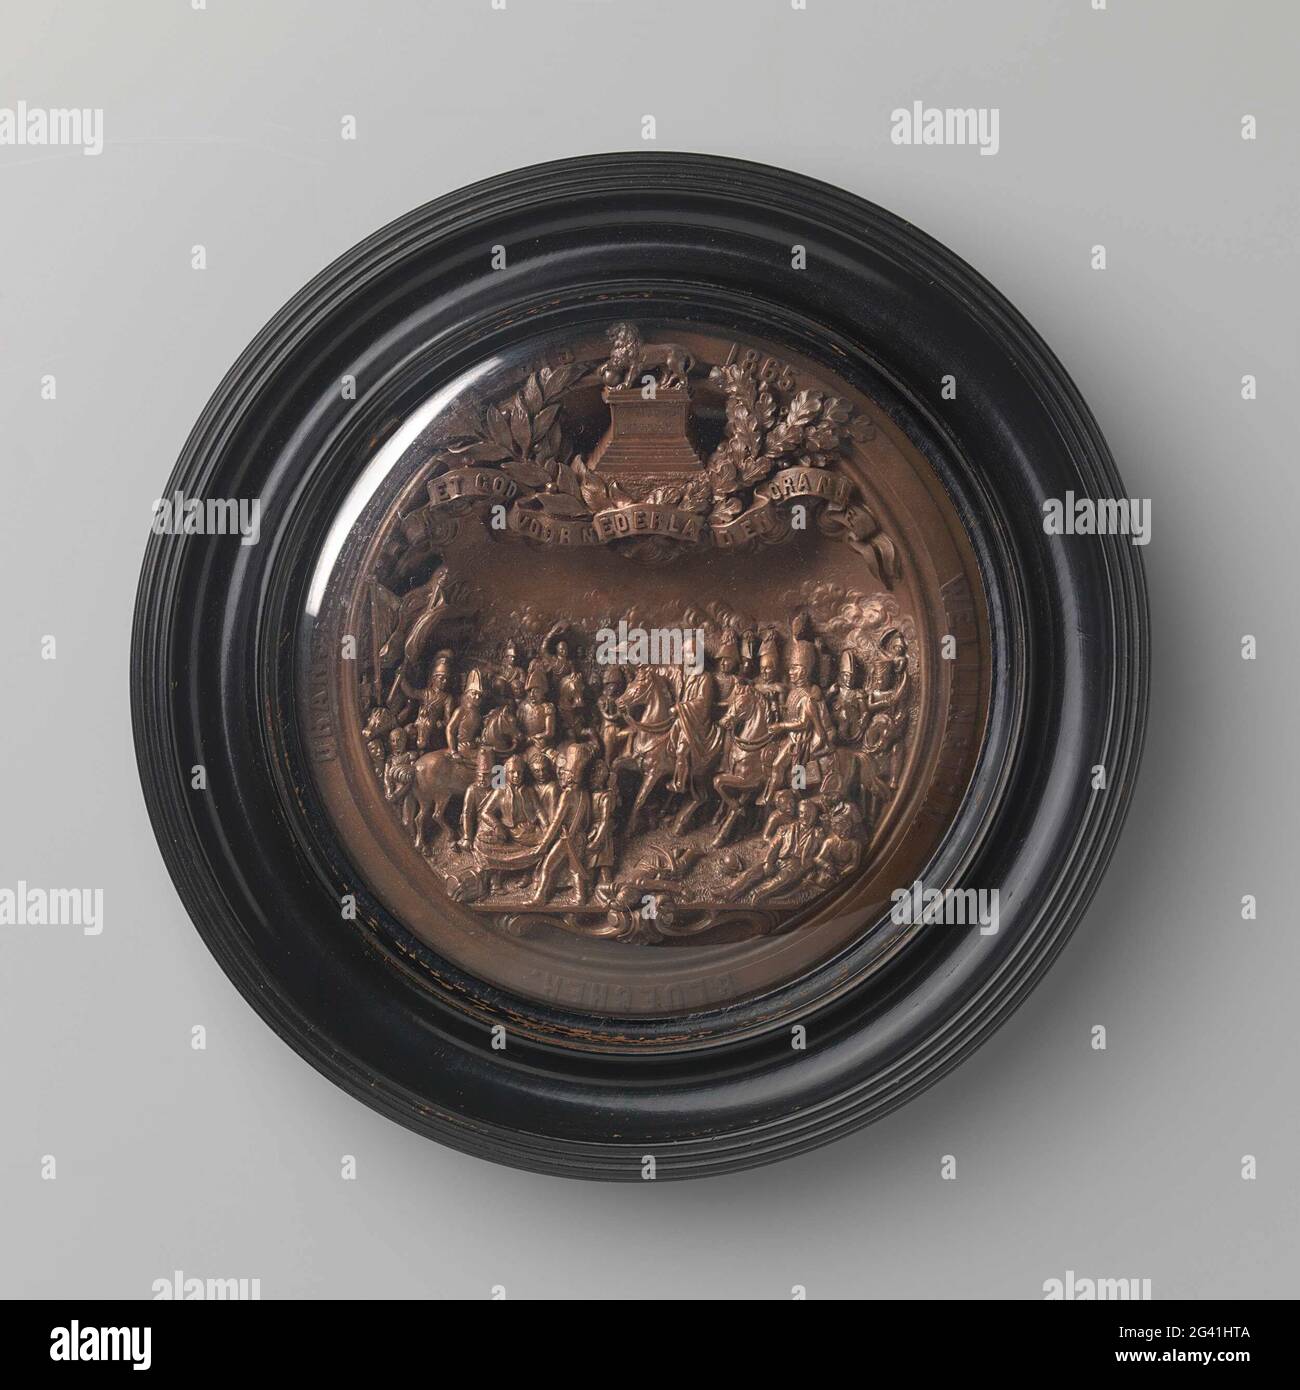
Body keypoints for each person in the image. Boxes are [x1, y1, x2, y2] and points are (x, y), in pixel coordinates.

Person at [530, 743, 594, 906]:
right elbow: (586, 820)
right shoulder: (585, 794)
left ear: (570, 776)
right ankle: (581, 898)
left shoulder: (567, 795)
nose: (561, 776)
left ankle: (540, 898)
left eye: (564, 773)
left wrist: (544, 844)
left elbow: (557, 822)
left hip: (566, 839)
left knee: (547, 867)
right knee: (575, 868)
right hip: (580, 837)